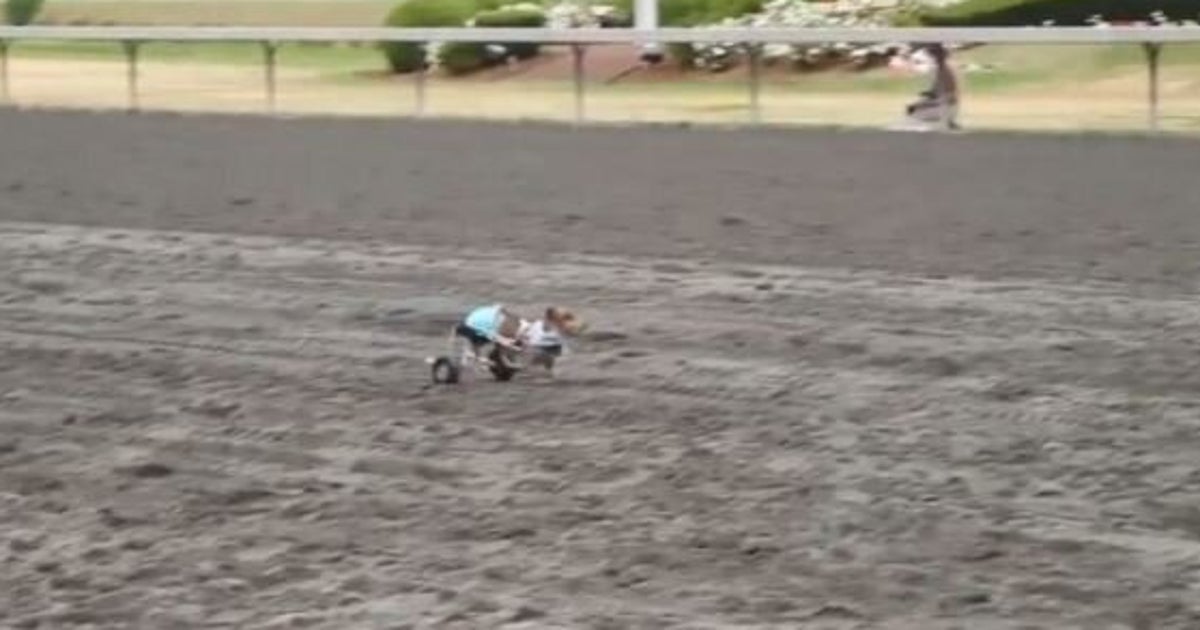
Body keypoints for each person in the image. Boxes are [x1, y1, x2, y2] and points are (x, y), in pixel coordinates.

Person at [905, 43, 960, 130]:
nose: (931, 57)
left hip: (944, 106)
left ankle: (946, 124)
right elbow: (937, 91)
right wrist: (926, 96)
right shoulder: (942, 67)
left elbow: (947, 94)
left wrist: (922, 103)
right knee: (913, 109)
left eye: (933, 54)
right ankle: (948, 123)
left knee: (913, 116)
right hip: (945, 105)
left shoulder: (944, 69)